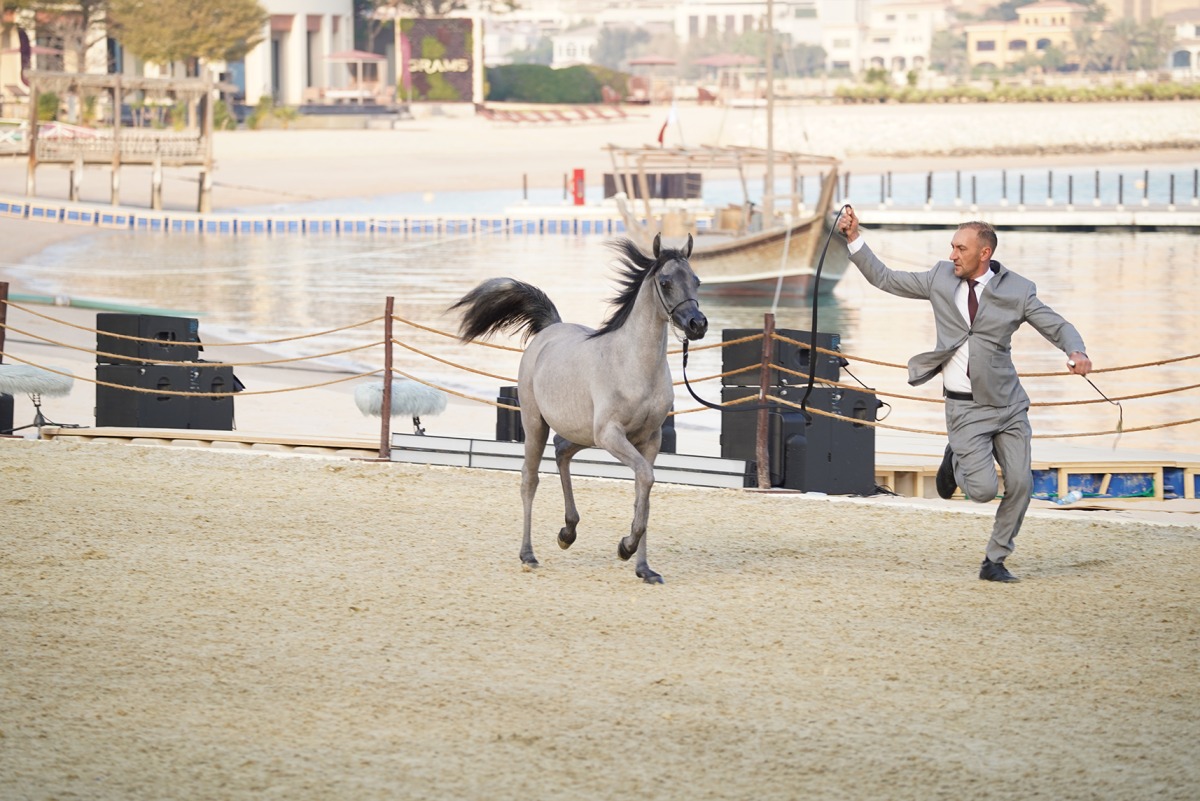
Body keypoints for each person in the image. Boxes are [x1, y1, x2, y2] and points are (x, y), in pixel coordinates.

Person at [837, 208, 1092, 583]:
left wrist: (1076, 351)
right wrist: (853, 238)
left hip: (1008, 404)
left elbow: (1057, 325)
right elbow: (886, 279)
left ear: (984, 253)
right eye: (952, 247)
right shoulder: (939, 277)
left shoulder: (1018, 290)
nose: (953, 254)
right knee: (984, 491)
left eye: (960, 248)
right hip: (964, 408)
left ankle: (995, 561)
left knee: (1021, 483)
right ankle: (955, 455)